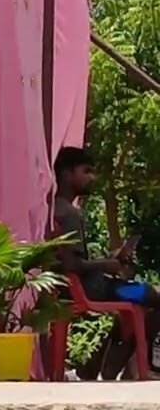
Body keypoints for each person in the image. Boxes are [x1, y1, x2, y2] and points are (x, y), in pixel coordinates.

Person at [51, 146, 160, 379]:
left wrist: (109, 260)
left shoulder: (55, 209)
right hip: (91, 288)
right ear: (68, 174)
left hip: (76, 286)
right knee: (152, 295)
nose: (92, 177)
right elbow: (72, 265)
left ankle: (93, 366)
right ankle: (115, 364)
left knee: (135, 303)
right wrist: (107, 265)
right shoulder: (69, 213)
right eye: (86, 171)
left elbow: (71, 261)